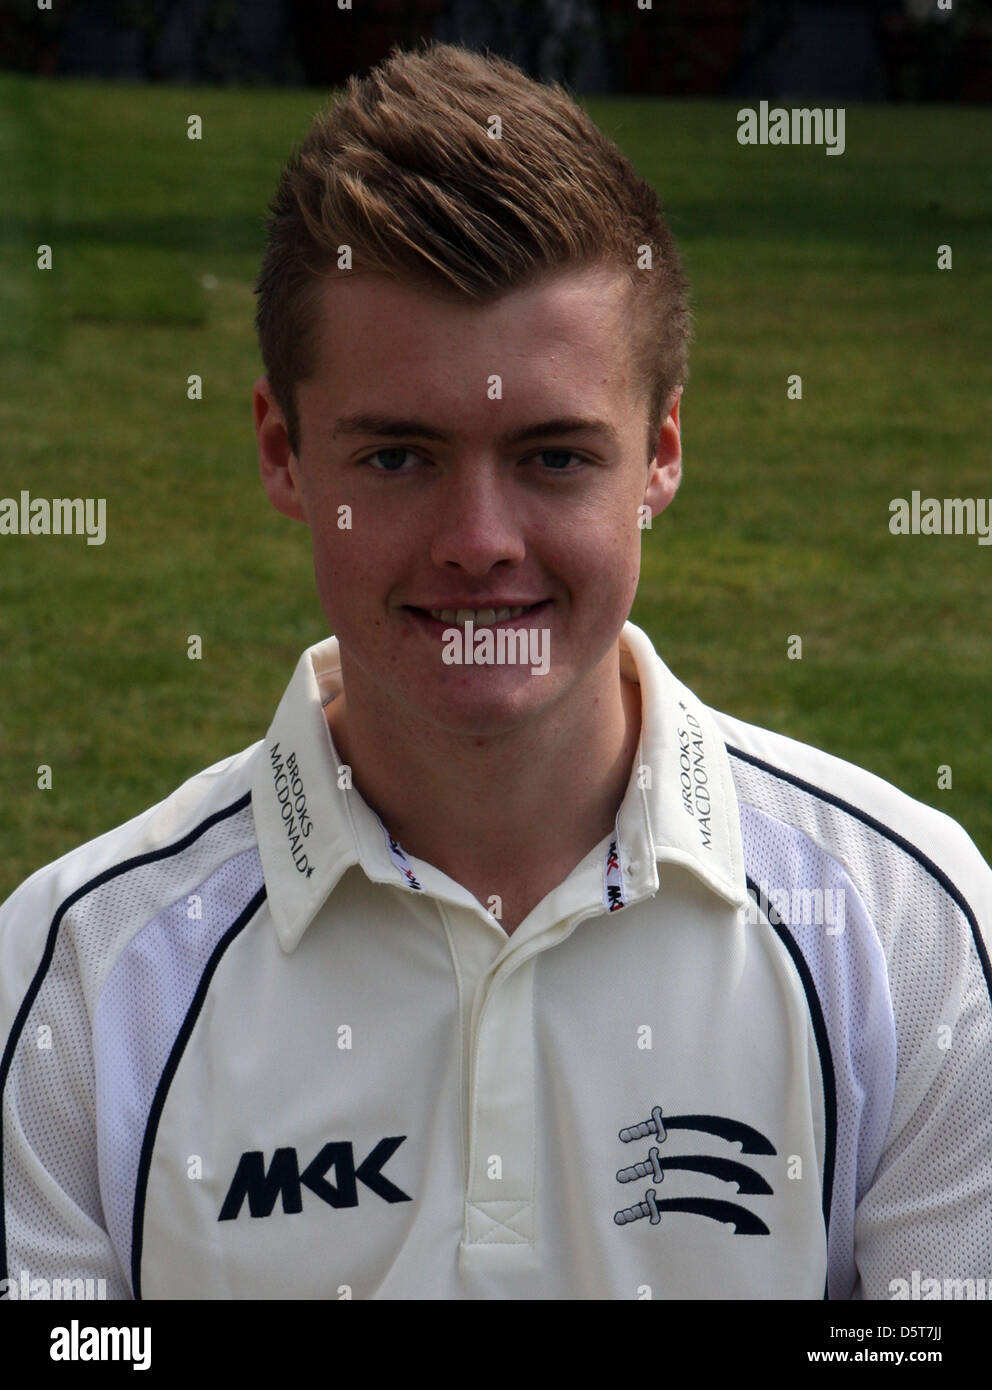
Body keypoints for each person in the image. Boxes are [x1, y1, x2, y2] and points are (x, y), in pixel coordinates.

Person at [1, 39, 989, 1303]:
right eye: (398, 458)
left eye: (553, 456)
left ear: (660, 454)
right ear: (283, 453)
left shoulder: (904, 931)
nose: (478, 542)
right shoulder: (75, 981)